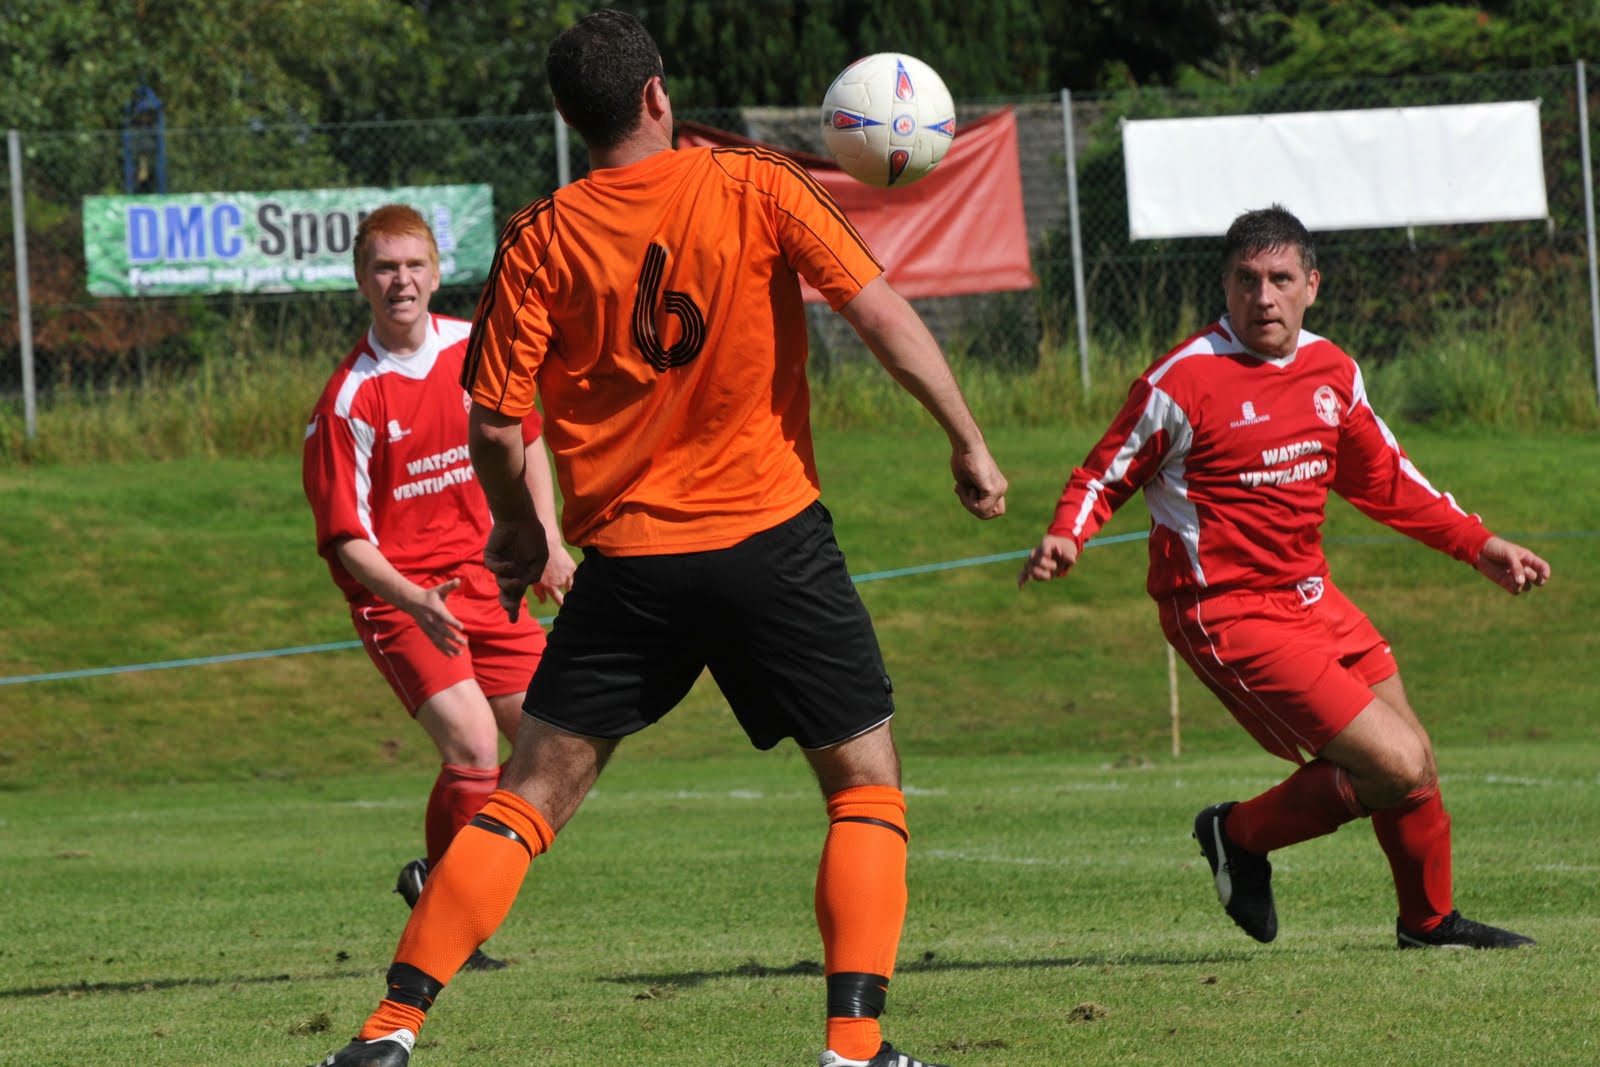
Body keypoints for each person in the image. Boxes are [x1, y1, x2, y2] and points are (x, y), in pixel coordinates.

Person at [307, 12, 1007, 1067]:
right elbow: (880, 316)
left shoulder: (542, 237)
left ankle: (388, 1028)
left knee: (529, 794)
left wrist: (516, 526)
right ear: (656, 95)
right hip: (773, 542)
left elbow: (495, 419)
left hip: (630, 567)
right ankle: (853, 1048)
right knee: (864, 786)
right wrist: (967, 441)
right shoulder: (758, 185)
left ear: (566, 115)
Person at [1019, 204, 1549, 951]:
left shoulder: (1333, 370)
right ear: (1225, 285)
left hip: (1311, 595)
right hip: (1225, 611)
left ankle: (1428, 923)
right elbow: (1103, 472)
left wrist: (1480, 544)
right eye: (1245, 280)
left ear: (1312, 285)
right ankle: (1236, 833)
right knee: (1391, 765)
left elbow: (1388, 481)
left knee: (1416, 758)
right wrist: (1067, 535)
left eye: (1278, 279)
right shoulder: (1185, 379)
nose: (1261, 296)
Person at [302, 204, 574, 972]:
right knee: (473, 744)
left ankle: (438, 876)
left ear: (436, 270)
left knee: (558, 747)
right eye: (384, 267)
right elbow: (347, 537)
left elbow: (528, 439)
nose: (401, 280)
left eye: (413, 264)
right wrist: (415, 597)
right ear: (361, 279)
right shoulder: (349, 398)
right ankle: (448, 911)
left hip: (494, 587)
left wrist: (549, 541)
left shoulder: (471, 348)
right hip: (404, 601)